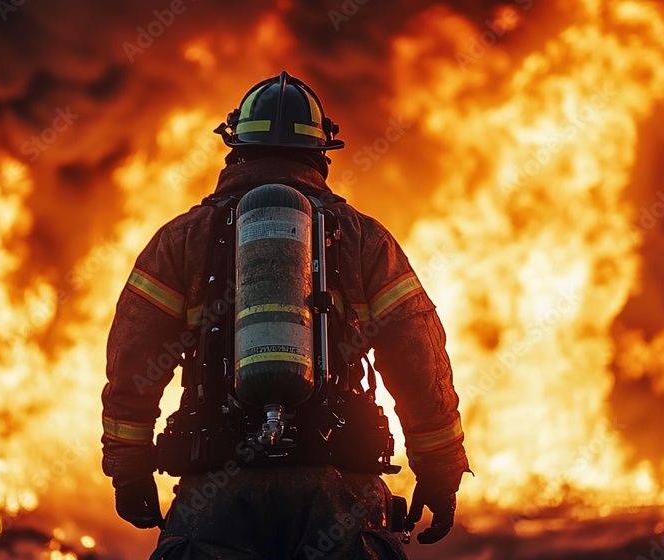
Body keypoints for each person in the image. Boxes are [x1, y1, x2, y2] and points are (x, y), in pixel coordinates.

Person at [101, 71, 470, 559]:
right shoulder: (364, 239)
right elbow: (418, 356)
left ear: (235, 147)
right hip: (337, 490)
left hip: (217, 492)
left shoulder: (181, 240)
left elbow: (133, 361)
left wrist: (130, 468)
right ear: (321, 154)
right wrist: (439, 470)